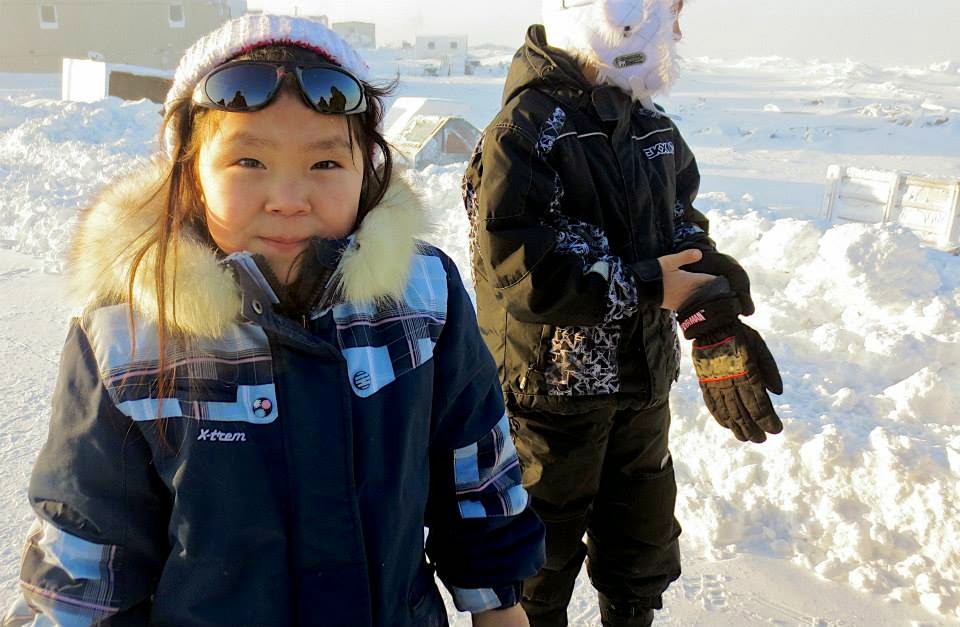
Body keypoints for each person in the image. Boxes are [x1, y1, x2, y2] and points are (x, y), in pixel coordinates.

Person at [3, 14, 544, 627]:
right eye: (249, 163)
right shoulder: (130, 328)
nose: (288, 198)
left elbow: (473, 459)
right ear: (191, 170)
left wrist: (498, 602)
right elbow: (87, 535)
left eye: (325, 165)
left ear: (366, 171)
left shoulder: (421, 295)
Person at [461, 1, 783, 625]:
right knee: (538, 564)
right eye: (671, 15)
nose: (679, 33)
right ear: (621, 20)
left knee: (641, 547)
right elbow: (521, 270)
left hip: (642, 385)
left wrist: (710, 318)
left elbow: (681, 232)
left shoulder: (652, 128)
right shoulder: (523, 132)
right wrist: (643, 286)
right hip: (550, 398)